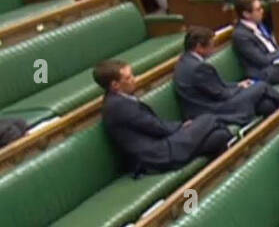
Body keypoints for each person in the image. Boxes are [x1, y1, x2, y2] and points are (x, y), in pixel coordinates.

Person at [96, 59, 232, 176]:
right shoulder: (118, 106)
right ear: (115, 85)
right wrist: (181, 127)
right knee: (208, 118)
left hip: (162, 146)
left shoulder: (118, 100)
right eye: (128, 78)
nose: (134, 79)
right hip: (156, 156)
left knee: (219, 136)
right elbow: (153, 126)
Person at [174, 25, 279, 126]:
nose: (214, 48)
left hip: (205, 106)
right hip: (212, 110)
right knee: (261, 85)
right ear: (199, 47)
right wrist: (240, 88)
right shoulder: (199, 68)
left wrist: (238, 85)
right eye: (211, 45)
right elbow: (221, 94)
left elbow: (214, 87)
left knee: (266, 105)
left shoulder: (184, 61)